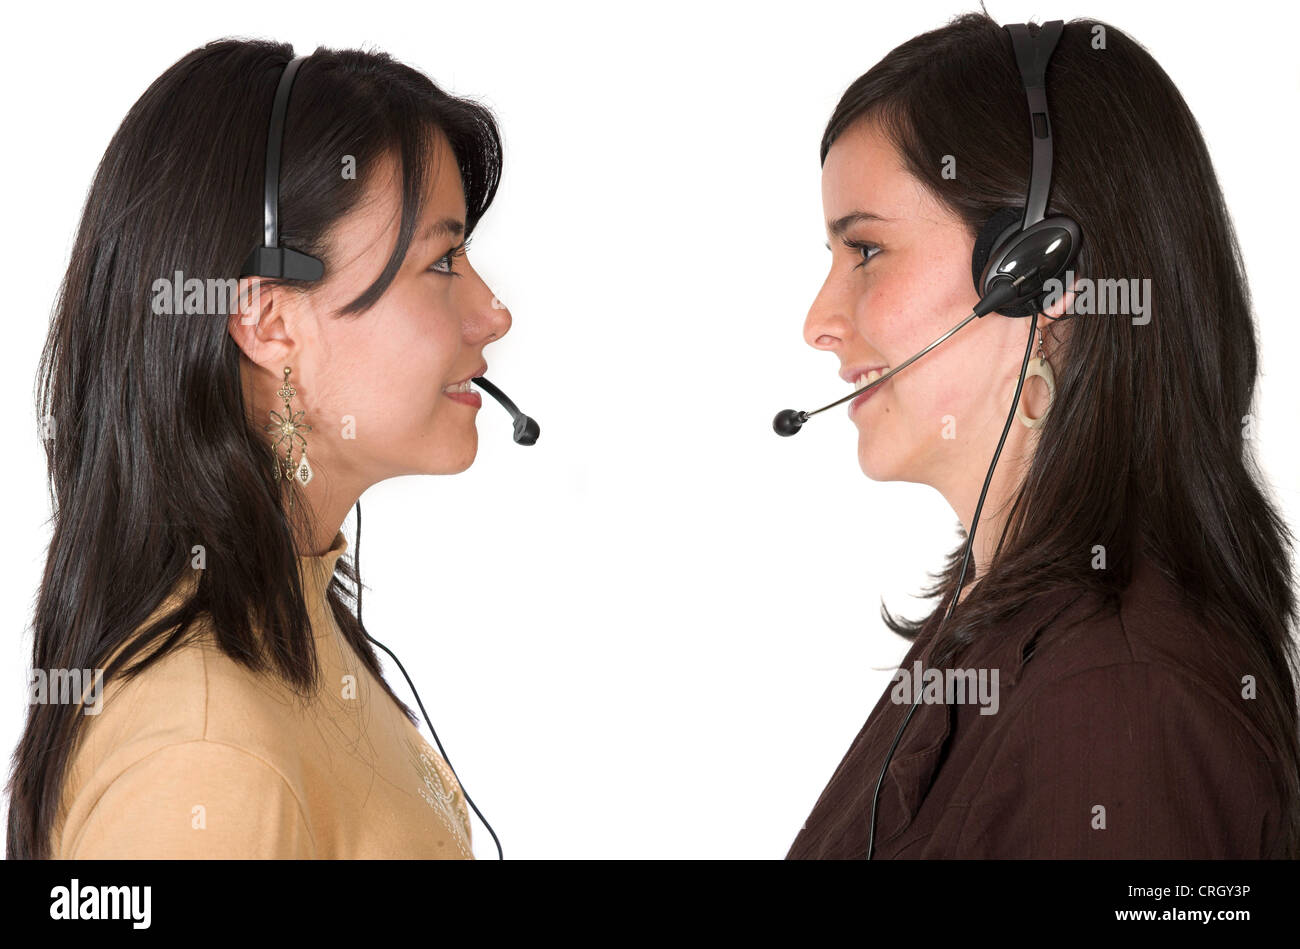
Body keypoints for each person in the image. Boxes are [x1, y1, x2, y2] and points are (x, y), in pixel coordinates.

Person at [786, 13, 1299, 858]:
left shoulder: (1119, 701)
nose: (819, 321)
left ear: (1036, 274)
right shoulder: (996, 632)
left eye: (866, 251)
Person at [9, 40, 511, 858]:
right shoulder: (205, 758)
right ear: (270, 322)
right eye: (443, 259)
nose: (494, 312)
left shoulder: (293, 639)